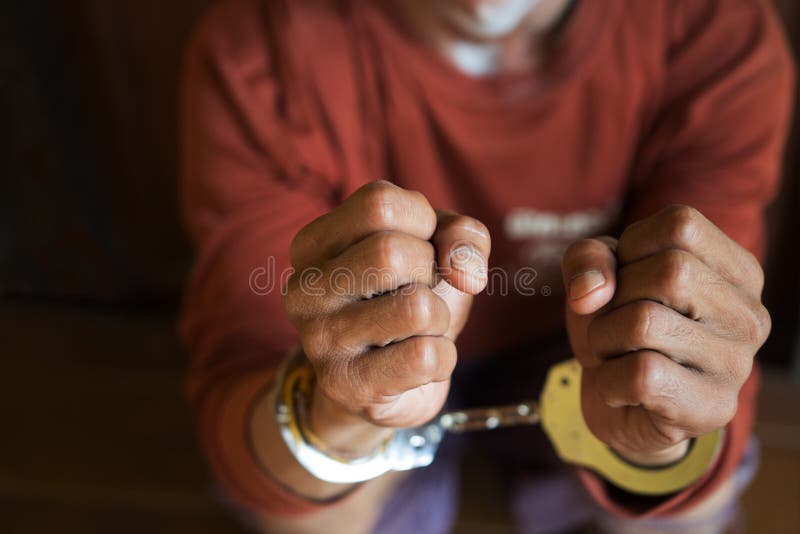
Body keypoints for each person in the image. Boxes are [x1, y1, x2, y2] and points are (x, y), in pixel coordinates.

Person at [179, 0, 795, 531]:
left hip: (581, 347)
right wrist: (339, 418)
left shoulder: (710, 33)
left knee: (686, 483)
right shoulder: (264, 53)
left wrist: (662, 427)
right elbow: (250, 384)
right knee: (311, 514)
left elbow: (708, 350)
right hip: (344, 364)